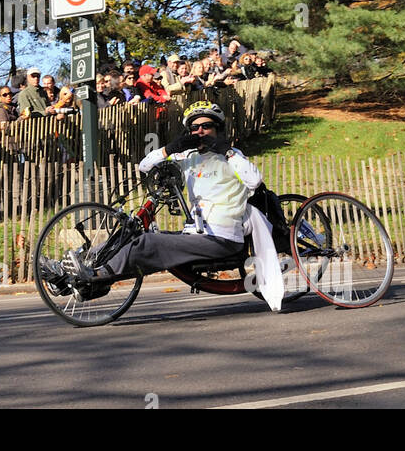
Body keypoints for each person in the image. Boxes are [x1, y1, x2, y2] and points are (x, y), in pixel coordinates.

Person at [38, 101, 284, 309]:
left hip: (222, 238)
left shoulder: (232, 157)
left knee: (149, 242)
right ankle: (70, 274)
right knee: (130, 236)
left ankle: (97, 274)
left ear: (217, 129)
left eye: (206, 126)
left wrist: (227, 151)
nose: (200, 131)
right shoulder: (187, 158)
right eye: (194, 128)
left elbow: (254, 180)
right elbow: (145, 166)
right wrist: (170, 148)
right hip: (196, 235)